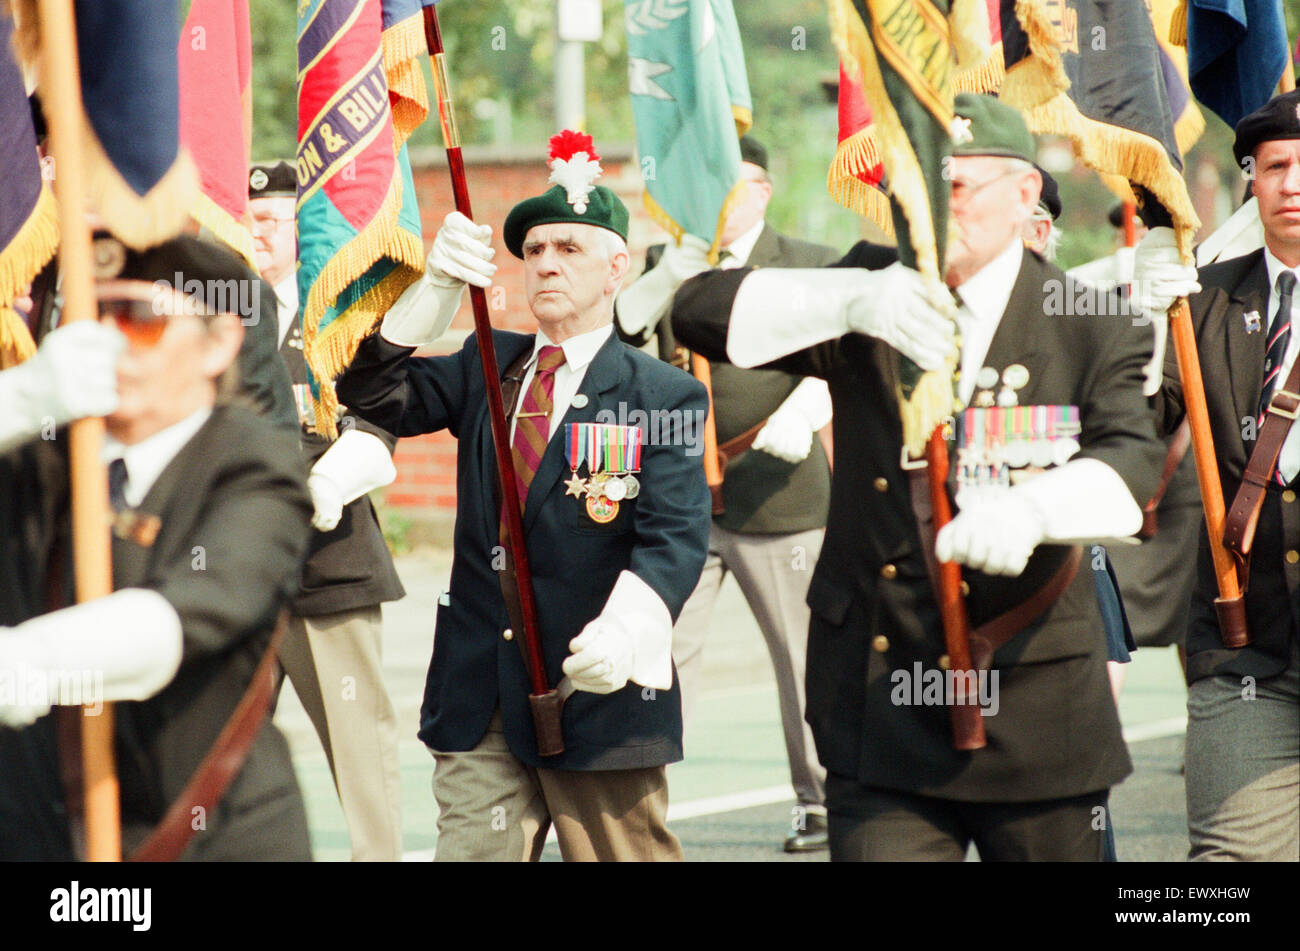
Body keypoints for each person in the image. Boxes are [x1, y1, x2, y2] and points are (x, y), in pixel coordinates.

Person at [672, 94, 1164, 861]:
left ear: (1025, 192)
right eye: (918, 186)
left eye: (958, 187)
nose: (936, 206)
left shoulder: (1086, 318)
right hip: (880, 698)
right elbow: (697, 312)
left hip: (1032, 702)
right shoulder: (876, 292)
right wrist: (852, 298)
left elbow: (1131, 458)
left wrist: (1035, 509)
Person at [335, 133, 711, 861]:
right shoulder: (487, 361)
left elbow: (675, 537)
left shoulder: (661, 393)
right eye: (533, 250)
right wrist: (434, 293)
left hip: (595, 690)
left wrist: (630, 628)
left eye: (568, 249)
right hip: (480, 694)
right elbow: (372, 395)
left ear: (615, 267)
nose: (544, 263)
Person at [0, 233, 313, 860]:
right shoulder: (35, 454)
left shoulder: (254, 460)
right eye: (92, 318)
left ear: (219, 341)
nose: (110, 342)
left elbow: (197, 605)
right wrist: (17, 400)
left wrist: (33, 660)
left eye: (139, 318)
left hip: (208, 835)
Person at [615, 135, 838, 852]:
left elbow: (845, 354)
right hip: (680, 499)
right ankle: (633, 806)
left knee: (802, 660)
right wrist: (668, 271)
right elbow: (623, 330)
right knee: (657, 651)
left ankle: (822, 802)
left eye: (732, 182)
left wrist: (806, 410)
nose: (717, 197)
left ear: (764, 189)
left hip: (778, 493)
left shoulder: (805, 261)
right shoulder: (667, 265)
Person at [1138, 89, 1300, 861]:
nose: (1293, 183)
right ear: (1253, 182)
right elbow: (1140, 417)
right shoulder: (1197, 300)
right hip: (1249, 647)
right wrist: (1141, 323)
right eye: (1276, 166)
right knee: (1230, 872)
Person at [248, 161, 407, 861]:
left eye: (269, 218)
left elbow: (379, 419)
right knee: (212, 748)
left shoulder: (342, 316)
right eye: (247, 216)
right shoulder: (216, 311)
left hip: (327, 561)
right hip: (233, 570)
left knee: (358, 746)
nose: (253, 230)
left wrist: (336, 477)